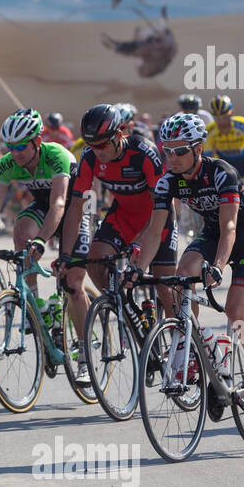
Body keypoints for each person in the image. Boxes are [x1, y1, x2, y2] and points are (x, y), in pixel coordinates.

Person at [130, 113, 244, 418]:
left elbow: (231, 228)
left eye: (180, 151)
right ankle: (196, 343)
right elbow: (155, 231)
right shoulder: (168, 181)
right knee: (181, 276)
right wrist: (138, 269)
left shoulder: (222, 174)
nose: (172, 157)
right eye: (166, 150)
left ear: (198, 148)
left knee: (235, 314)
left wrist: (219, 266)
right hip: (212, 234)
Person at [60, 104, 179, 382]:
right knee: (93, 260)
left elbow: (162, 203)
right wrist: (67, 257)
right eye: (91, 144)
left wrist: (142, 247)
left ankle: (182, 350)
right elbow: (77, 209)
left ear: (120, 132)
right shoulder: (90, 157)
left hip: (156, 217)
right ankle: (124, 308)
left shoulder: (143, 152)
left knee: (165, 288)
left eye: (102, 143)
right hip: (123, 215)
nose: (97, 150)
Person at [0, 109, 79, 303]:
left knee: (72, 283)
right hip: (44, 205)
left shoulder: (57, 156)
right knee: (21, 232)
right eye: (11, 147)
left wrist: (41, 240)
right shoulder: (7, 164)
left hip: (73, 208)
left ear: (38, 142)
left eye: (22, 146)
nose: (15, 153)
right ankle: (33, 304)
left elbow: (58, 203)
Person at [203, 95, 244, 183]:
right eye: (216, 118)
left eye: (224, 117)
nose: (221, 121)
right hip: (224, 166)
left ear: (232, 113)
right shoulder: (209, 131)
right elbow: (209, 161)